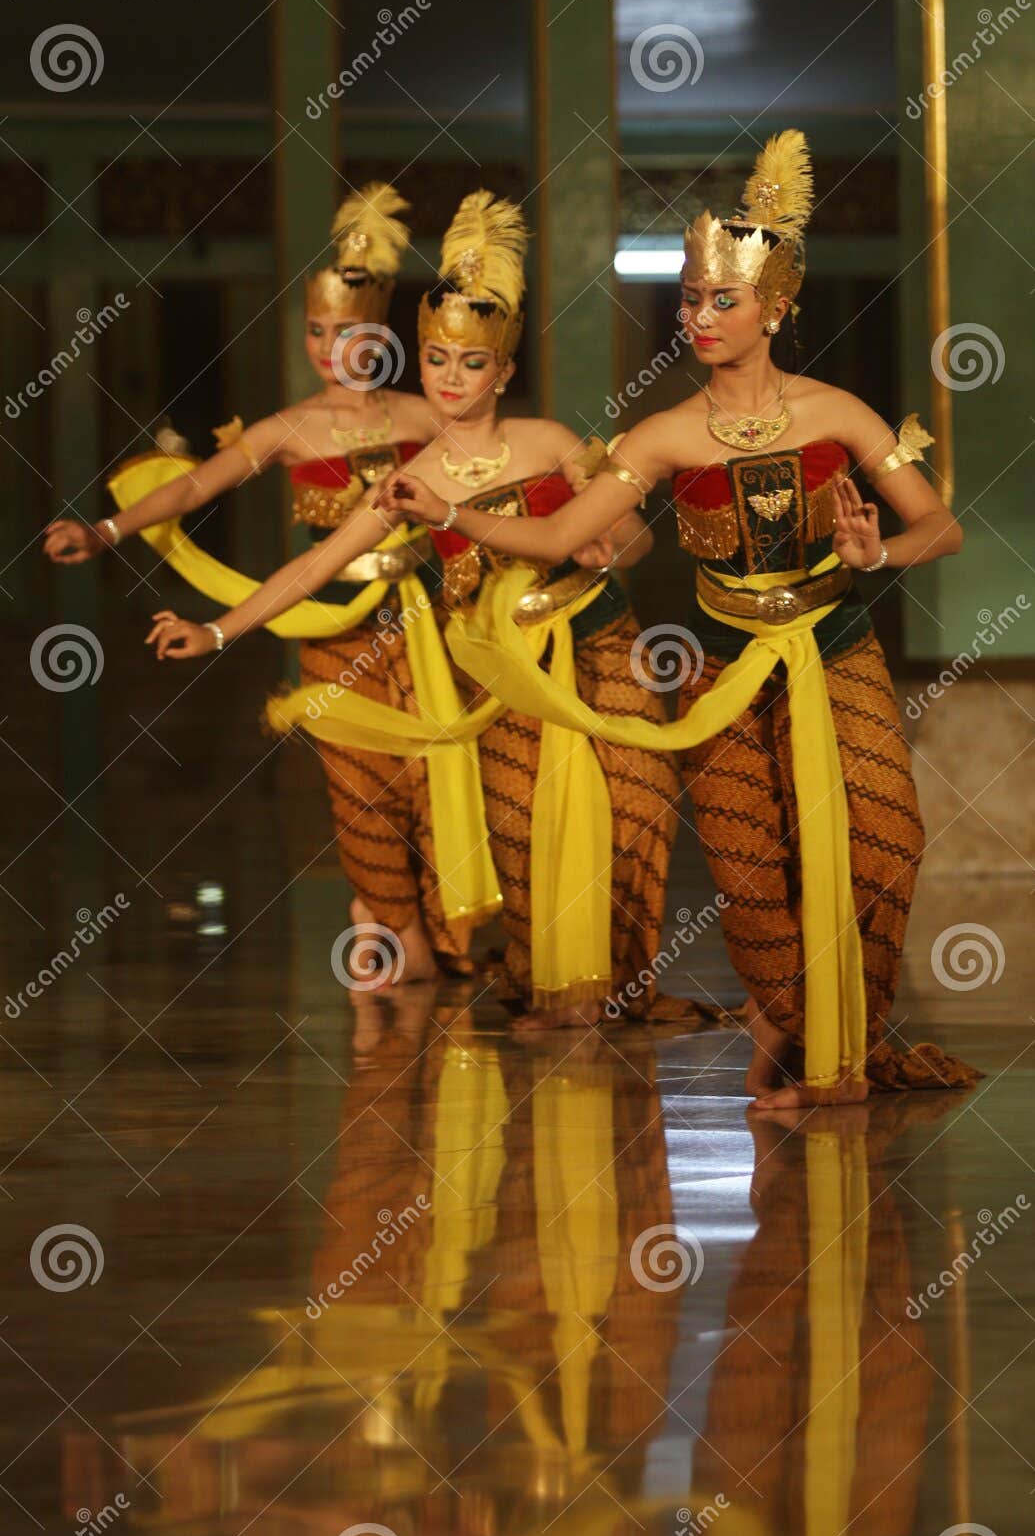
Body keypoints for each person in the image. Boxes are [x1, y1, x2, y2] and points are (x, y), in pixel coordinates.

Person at [376, 132, 979, 1104]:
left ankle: (848, 1041)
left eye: (721, 299)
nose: (698, 314)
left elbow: (941, 526)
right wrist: (448, 512)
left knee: (886, 836)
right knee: (751, 858)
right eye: (691, 298)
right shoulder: (660, 435)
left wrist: (879, 554)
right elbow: (565, 531)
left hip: (835, 645)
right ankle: (785, 1023)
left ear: (776, 307)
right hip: (724, 663)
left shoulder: (840, 413)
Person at [146, 191, 730, 1034]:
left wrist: (609, 547)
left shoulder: (552, 442)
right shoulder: (406, 484)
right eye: (436, 360)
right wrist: (215, 629)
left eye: (469, 363)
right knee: (525, 836)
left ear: (503, 371)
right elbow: (312, 566)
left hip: (599, 644)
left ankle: (617, 982)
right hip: (504, 676)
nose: (451, 378)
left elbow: (636, 536)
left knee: (635, 813)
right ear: (417, 365)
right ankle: (554, 991)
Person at [45, 184, 493, 983]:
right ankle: (390, 924)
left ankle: (432, 926)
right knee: (358, 784)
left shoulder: (427, 418)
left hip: (423, 617)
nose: (329, 346)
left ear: (379, 335)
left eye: (347, 330)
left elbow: (493, 485)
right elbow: (191, 488)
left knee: (437, 770)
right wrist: (104, 530)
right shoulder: (289, 429)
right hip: (328, 621)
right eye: (316, 330)